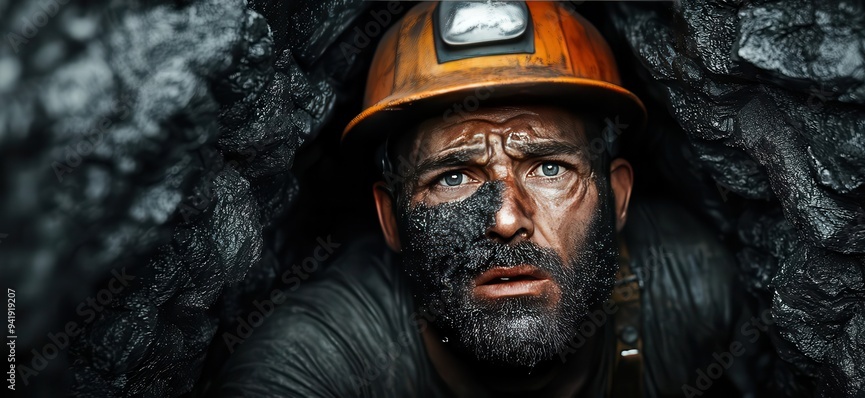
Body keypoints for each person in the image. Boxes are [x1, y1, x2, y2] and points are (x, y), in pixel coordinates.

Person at [215, 2, 745, 396]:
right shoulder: (319, 361)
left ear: (619, 195)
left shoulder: (695, 289)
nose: (508, 218)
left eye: (549, 167)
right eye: (453, 178)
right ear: (390, 219)